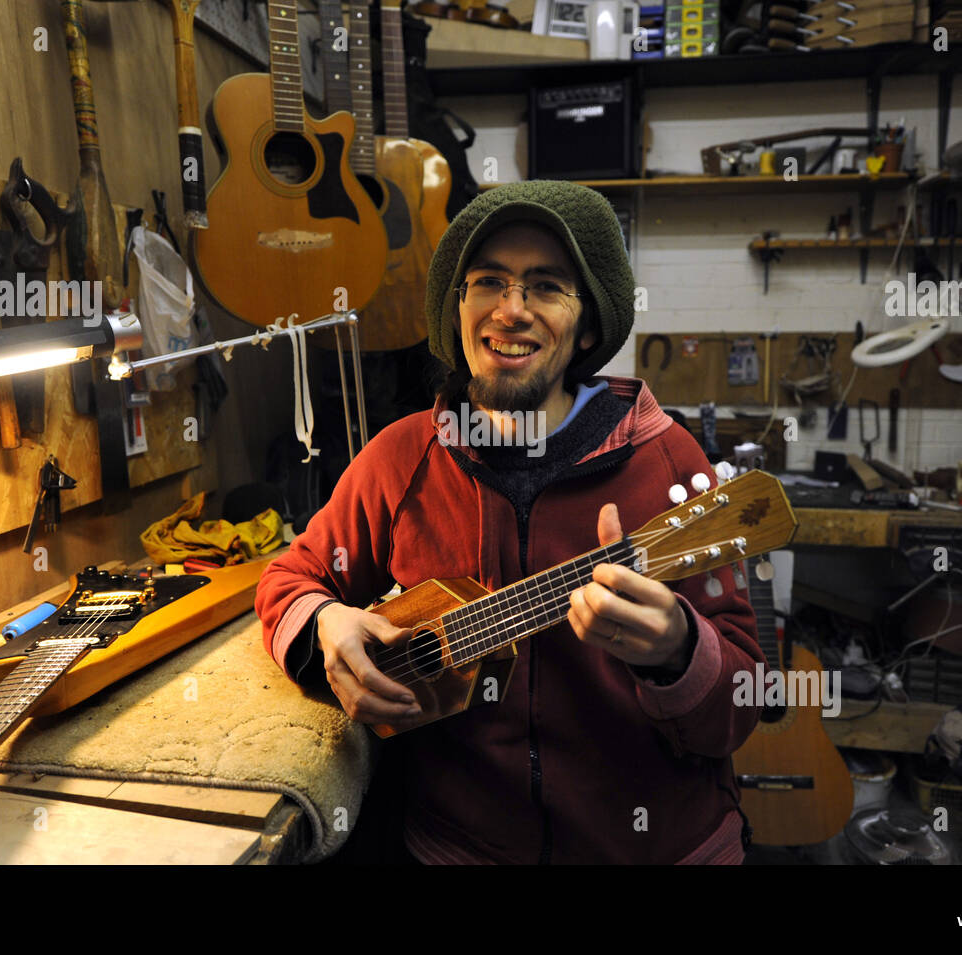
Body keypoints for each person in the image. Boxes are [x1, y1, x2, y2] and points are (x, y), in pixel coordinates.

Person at [256, 180, 762, 864]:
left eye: (546, 286)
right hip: (456, 850)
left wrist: (677, 649)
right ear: (458, 308)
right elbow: (292, 575)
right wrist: (327, 620)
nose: (511, 309)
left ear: (587, 325)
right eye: (488, 280)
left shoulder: (668, 459)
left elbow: (738, 706)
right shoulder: (402, 456)